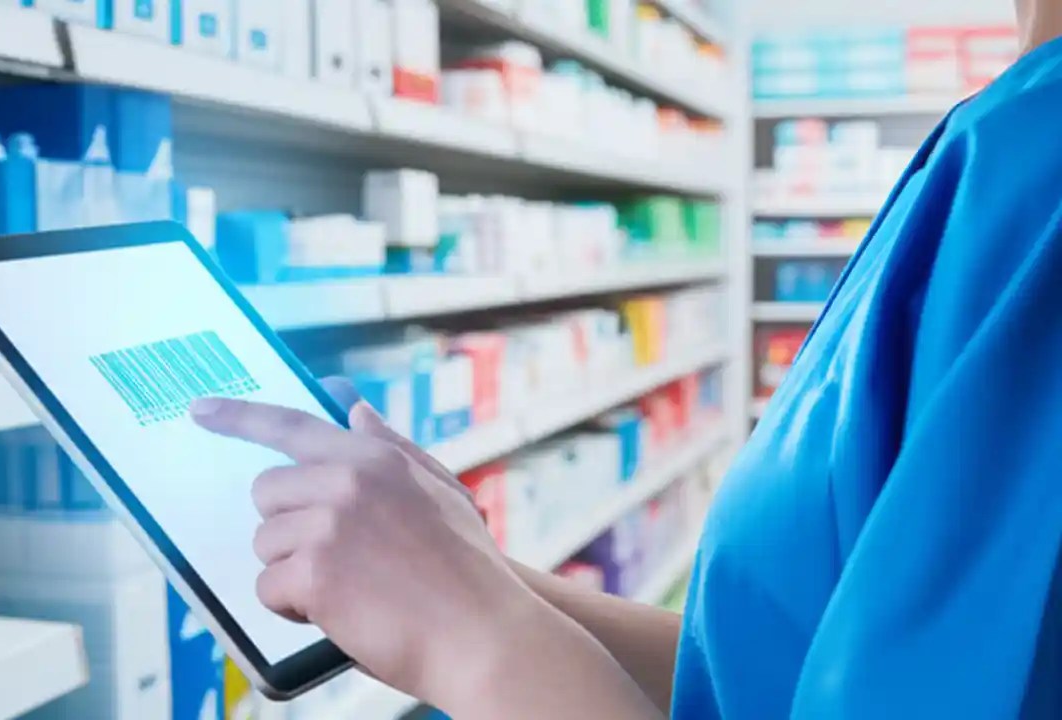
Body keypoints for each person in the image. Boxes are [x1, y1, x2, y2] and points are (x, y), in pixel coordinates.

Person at [191, 2, 1062, 716]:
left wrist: (471, 637)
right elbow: (773, 681)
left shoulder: (1040, 183)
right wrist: (470, 571)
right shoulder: (1005, 132)